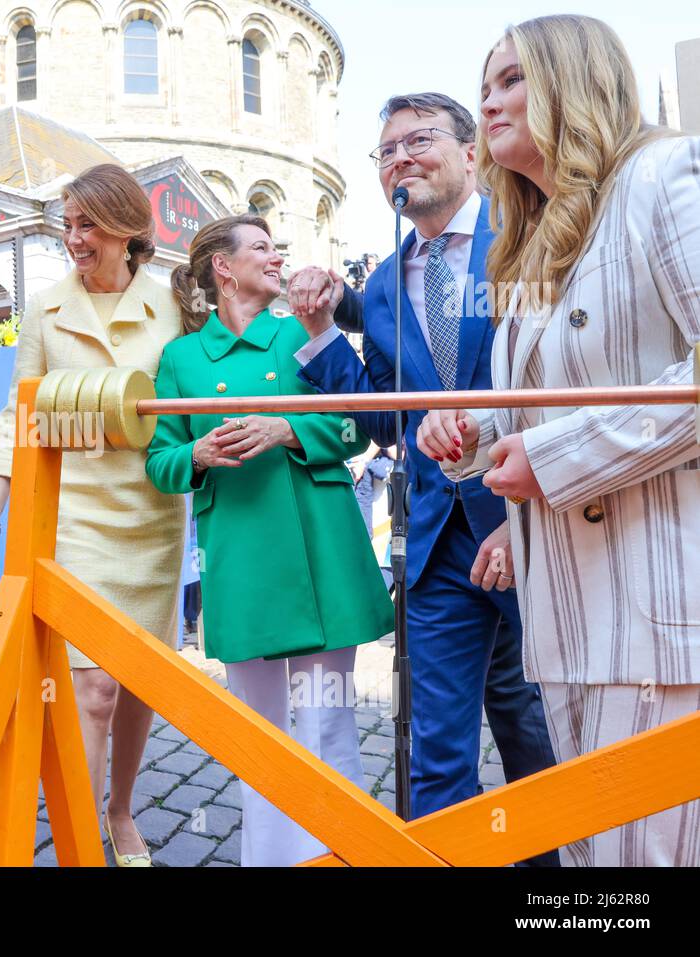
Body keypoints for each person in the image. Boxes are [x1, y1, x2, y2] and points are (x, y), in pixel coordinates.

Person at [419, 15, 700, 866]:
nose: (491, 100)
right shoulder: (533, 238)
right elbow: (533, 409)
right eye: (486, 84)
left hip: (659, 611)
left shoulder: (665, 174)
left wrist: (556, 459)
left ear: (577, 80)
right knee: (590, 874)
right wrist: (471, 433)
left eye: (513, 79)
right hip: (565, 622)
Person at [285, 92, 558, 842]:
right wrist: (318, 333)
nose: (399, 158)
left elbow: (560, 375)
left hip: (539, 521)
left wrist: (519, 507)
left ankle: (565, 888)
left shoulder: (529, 237)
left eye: (419, 140)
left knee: (550, 733)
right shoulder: (380, 286)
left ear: (471, 152)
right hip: (438, 545)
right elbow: (382, 419)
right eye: (385, 151)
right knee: (437, 756)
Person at [147, 215, 393, 866]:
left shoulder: (304, 335)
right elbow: (159, 460)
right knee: (260, 740)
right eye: (260, 247)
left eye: (275, 247)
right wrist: (195, 452)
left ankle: (340, 858)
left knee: (327, 725)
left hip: (322, 554)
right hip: (243, 560)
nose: (275, 257)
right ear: (223, 269)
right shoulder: (181, 358)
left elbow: (359, 434)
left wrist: (289, 429)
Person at [0, 163, 186, 867]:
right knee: (91, 685)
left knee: (135, 679)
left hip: (150, 514)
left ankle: (122, 807)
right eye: (68, 223)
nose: (74, 237)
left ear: (126, 230)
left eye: (87, 224)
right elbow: (16, 414)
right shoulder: (47, 310)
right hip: (75, 514)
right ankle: (82, 837)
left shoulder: (172, 306)